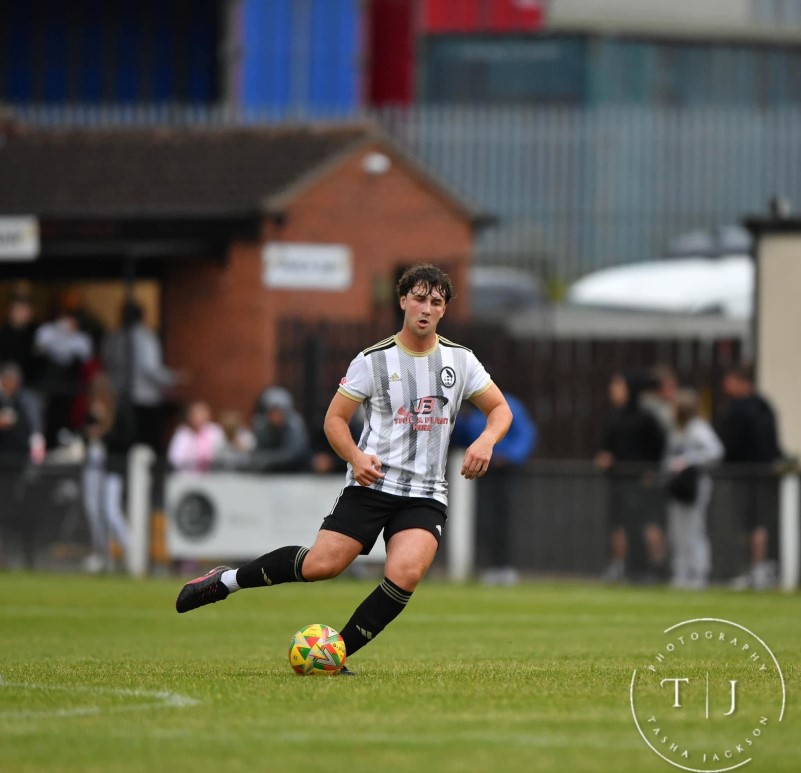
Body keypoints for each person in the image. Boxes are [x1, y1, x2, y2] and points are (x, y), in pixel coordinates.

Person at [174, 263, 513, 673]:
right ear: (403, 300)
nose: (426, 308)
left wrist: (486, 439)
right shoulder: (372, 361)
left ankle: (335, 656)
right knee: (322, 565)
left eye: (436, 302)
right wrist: (355, 457)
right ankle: (224, 581)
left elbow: (499, 409)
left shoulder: (460, 361)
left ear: (444, 310)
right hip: (371, 484)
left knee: (405, 572)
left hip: (424, 493)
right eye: (420, 299)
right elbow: (334, 420)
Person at [451, 392, 536, 584]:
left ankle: (505, 567)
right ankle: (490, 566)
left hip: (506, 471)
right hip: (483, 472)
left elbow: (526, 434)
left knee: (504, 520)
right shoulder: (469, 411)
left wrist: (509, 457)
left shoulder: (509, 404)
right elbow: (461, 437)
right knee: (484, 519)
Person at [595, 371, 667, 583]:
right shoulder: (613, 417)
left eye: (619, 386)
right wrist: (605, 458)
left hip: (642, 482)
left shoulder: (647, 418)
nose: (613, 391)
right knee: (618, 525)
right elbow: (605, 447)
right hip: (619, 481)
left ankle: (655, 568)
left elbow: (659, 448)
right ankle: (619, 567)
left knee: (648, 524)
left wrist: (651, 472)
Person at [718, 365, 783, 590]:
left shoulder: (739, 409)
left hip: (745, 475)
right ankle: (757, 569)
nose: (726, 386)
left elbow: (731, 445)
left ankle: (756, 569)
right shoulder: (764, 405)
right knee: (757, 524)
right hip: (763, 474)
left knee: (751, 524)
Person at [663, 388, 724, 589]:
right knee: (677, 531)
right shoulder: (676, 430)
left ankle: (699, 573)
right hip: (677, 486)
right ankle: (681, 572)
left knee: (694, 529)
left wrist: (688, 461)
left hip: (695, 485)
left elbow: (715, 452)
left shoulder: (699, 429)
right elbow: (668, 456)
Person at [102, 300, 179, 454]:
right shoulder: (144, 337)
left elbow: (107, 363)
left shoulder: (113, 337)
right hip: (144, 398)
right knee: (146, 443)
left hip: (119, 396)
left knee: (124, 442)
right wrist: (173, 378)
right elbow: (150, 368)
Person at [80, 374, 136, 573]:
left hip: (112, 469)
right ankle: (102, 554)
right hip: (94, 467)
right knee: (94, 510)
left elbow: (126, 438)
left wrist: (105, 430)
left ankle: (131, 552)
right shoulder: (91, 411)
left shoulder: (118, 412)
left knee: (111, 511)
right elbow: (84, 434)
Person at [0, 362, 45, 567]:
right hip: (5, 463)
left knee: (10, 511)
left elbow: (30, 429)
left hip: (13, 466)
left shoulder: (21, 400)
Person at [249, 386, 311, 472]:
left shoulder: (295, 425)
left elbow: (293, 454)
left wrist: (267, 458)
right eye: (272, 412)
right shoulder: (261, 425)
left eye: (278, 412)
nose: (275, 417)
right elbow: (257, 452)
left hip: (294, 472)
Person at [167, 401, 224, 472]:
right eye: (197, 413)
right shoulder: (183, 433)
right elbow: (174, 459)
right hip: (187, 475)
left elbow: (222, 455)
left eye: (203, 413)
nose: (200, 417)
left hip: (212, 474)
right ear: (190, 416)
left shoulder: (215, 431)